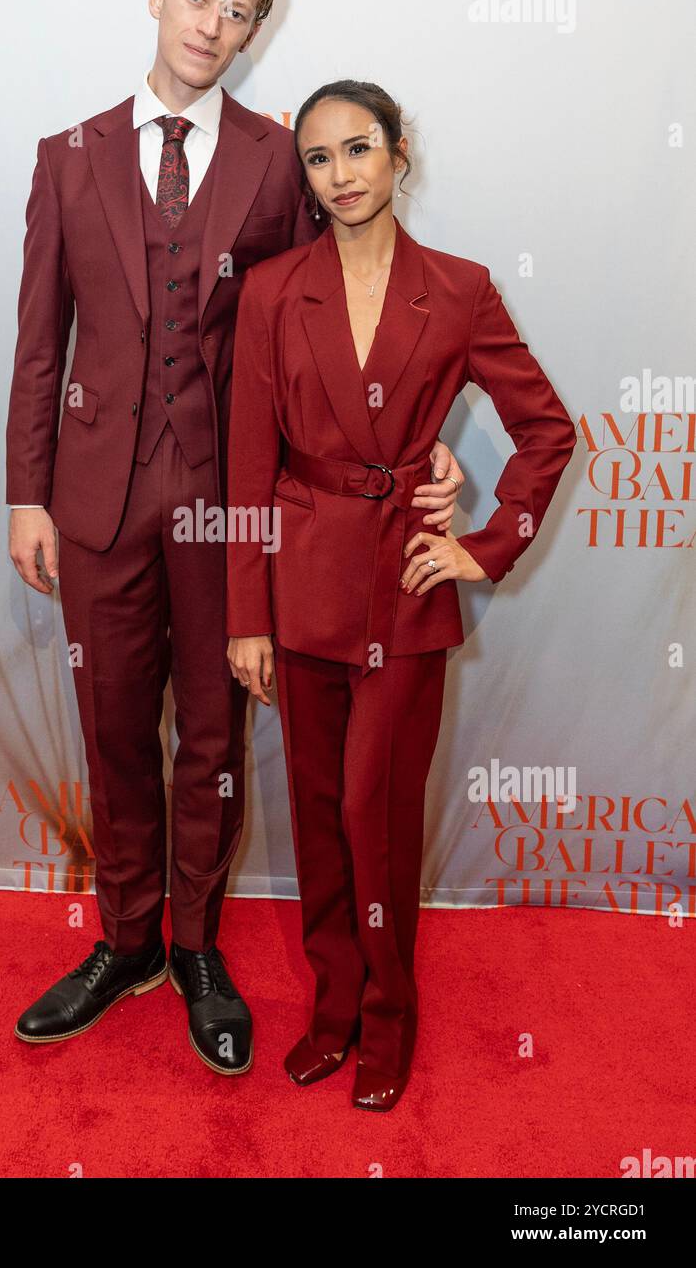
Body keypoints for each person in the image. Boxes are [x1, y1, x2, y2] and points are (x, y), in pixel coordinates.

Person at [5, 0, 465, 1076]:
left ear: (255, 27)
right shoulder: (68, 155)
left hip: (231, 505)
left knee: (211, 737)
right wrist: (26, 492)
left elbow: (337, 307)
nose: (213, 25)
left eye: (239, 9)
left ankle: (196, 945)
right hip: (96, 498)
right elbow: (35, 342)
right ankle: (125, 944)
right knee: (114, 730)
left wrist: (419, 457)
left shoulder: (279, 158)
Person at [226, 80, 577, 1108]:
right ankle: (332, 1006)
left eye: (358, 150)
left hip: (404, 585)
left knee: (375, 808)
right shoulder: (269, 290)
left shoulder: (460, 289)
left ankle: (388, 1014)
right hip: (298, 586)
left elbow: (545, 431)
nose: (340, 175)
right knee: (319, 809)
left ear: (399, 154)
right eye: (320, 159)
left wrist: (486, 544)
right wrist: (245, 613)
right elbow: (247, 463)